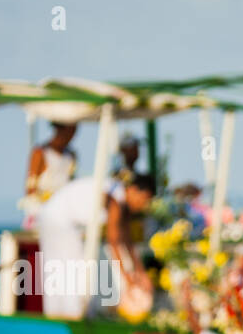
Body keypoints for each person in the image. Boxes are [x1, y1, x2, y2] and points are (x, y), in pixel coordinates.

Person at [36, 173, 155, 319]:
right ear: (133, 190)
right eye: (144, 199)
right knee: (71, 267)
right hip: (58, 219)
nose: (143, 205)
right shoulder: (115, 200)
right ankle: (68, 315)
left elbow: (127, 241)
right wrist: (127, 278)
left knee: (69, 266)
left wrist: (141, 272)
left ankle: (68, 313)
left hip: (61, 219)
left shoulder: (120, 200)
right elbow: (114, 240)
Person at [22, 122, 77, 222]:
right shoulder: (40, 153)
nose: (73, 136)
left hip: (65, 212)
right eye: (71, 131)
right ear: (60, 130)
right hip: (43, 213)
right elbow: (30, 187)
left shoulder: (71, 155)